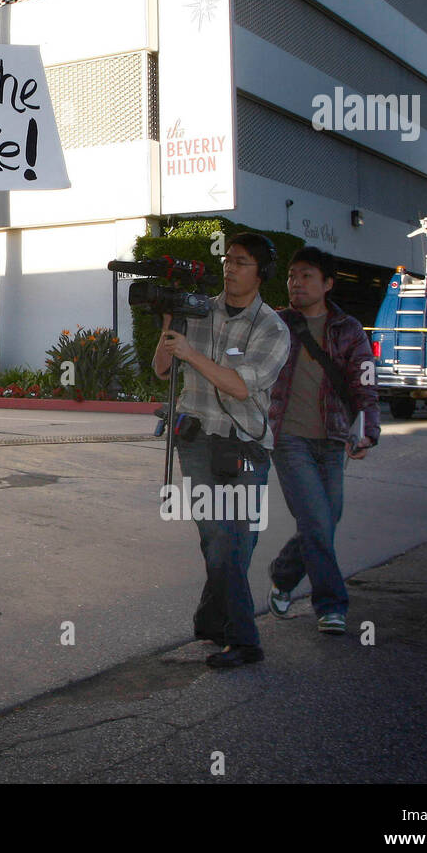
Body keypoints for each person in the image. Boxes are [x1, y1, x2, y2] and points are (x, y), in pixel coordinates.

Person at [153, 233, 290, 668]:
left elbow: (237, 385)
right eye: (228, 260)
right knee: (219, 538)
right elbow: (160, 370)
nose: (230, 268)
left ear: (261, 272)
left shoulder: (272, 327)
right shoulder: (199, 310)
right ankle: (223, 627)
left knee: (231, 542)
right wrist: (169, 326)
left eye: (242, 262)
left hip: (244, 445)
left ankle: (239, 636)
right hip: (195, 441)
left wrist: (190, 353)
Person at [265, 246, 380, 636]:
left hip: (332, 440)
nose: (296, 282)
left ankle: (283, 574)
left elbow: (364, 386)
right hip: (289, 439)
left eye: (306, 276)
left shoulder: (348, 330)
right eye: (292, 275)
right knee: (316, 520)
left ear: (328, 284)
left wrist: (366, 431)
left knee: (326, 521)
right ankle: (331, 605)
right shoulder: (275, 324)